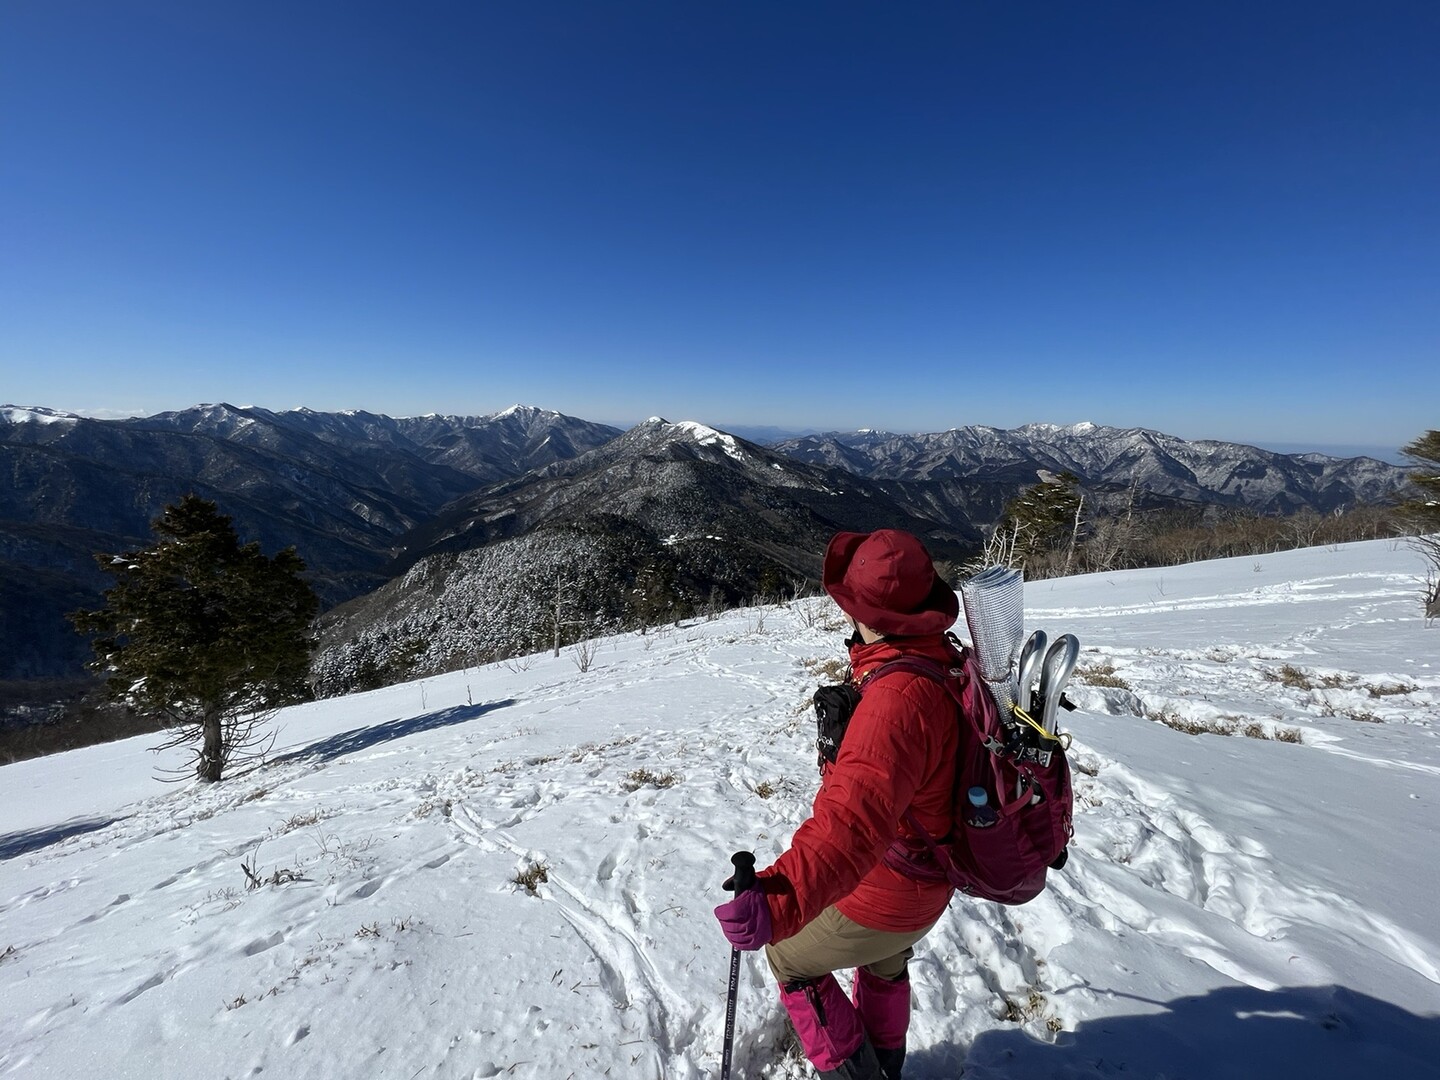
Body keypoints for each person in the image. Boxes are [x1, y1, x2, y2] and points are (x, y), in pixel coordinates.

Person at [714, 528, 962, 1080]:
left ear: (868, 615)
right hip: (928, 881)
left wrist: (776, 902)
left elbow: (851, 826)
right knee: (881, 956)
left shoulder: (895, 701)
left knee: (788, 957)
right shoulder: (942, 662)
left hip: (890, 892)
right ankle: (885, 1065)